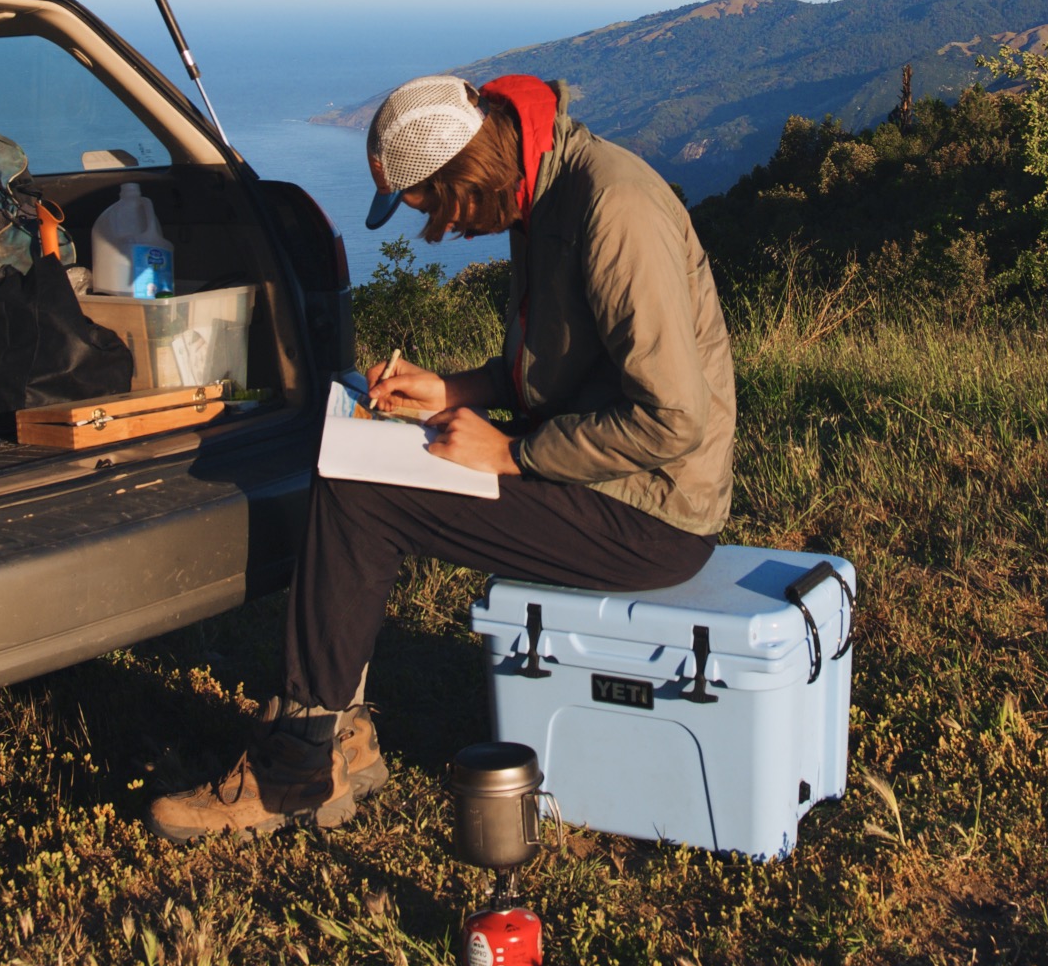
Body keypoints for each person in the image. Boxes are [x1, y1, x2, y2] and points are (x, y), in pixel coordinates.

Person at [150, 73, 734, 841]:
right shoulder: (546, 194)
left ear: (463, 175)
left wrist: (513, 454)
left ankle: (298, 767)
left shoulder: (612, 209)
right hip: (608, 480)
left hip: (651, 513)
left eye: (426, 204)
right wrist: (454, 389)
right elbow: (562, 371)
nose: (437, 226)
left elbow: (673, 419)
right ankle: (336, 738)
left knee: (364, 494)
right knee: (357, 466)